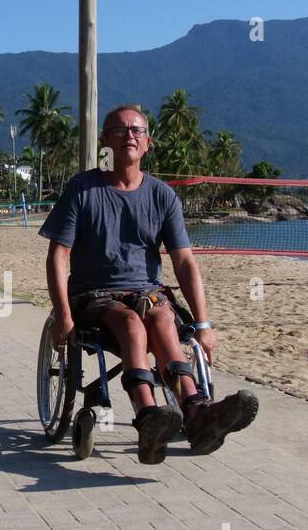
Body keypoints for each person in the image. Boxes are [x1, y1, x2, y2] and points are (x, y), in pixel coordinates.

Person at [39, 104, 258, 464]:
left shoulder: (162, 195)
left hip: (146, 292)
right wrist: (63, 314)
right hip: (93, 294)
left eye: (137, 130)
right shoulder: (82, 189)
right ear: (105, 142)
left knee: (161, 320)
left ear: (148, 143)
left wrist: (203, 325)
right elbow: (58, 257)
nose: (130, 135)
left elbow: (184, 261)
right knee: (129, 324)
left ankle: (196, 410)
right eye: (121, 129)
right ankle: (148, 415)